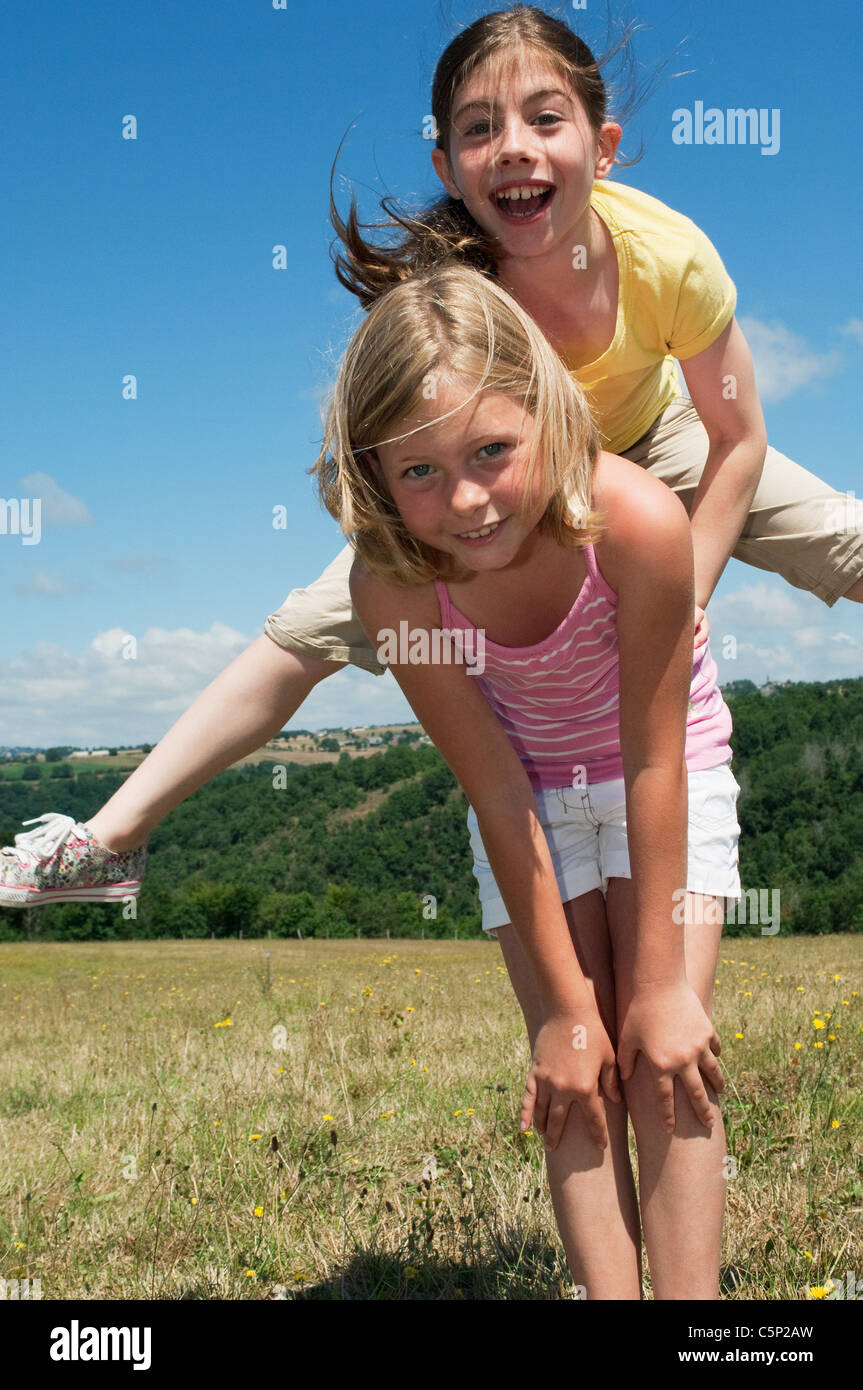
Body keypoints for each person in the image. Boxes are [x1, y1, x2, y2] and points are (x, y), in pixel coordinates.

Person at [1, 4, 859, 905]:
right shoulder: (448, 289)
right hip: (493, 474)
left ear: (602, 148)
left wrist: (678, 591)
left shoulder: (668, 258)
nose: (514, 147)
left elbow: (739, 438)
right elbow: (396, 447)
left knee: (842, 537)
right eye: (479, 128)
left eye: (544, 118)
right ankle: (106, 840)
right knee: (310, 628)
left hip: (657, 441)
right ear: (448, 167)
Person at [314, 260, 740, 1299]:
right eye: (415, 472)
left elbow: (652, 757)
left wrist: (654, 988)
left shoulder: (636, 523)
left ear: (546, 412)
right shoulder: (396, 584)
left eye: (490, 451)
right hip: (529, 805)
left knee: (660, 1058)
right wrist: (561, 1009)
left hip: (660, 773)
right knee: (580, 1067)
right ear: (372, 478)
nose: (462, 499)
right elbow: (498, 792)